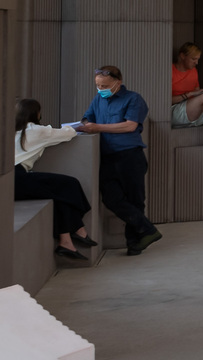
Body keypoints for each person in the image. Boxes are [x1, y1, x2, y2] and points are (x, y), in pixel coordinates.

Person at [77, 65, 162, 255]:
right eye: (98, 85)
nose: (101, 89)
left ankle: (134, 243)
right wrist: (85, 125)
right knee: (111, 198)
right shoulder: (98, 99)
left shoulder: (133, 99)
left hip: (129, 155)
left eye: (105, 86)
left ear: (118, 82)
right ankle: (148, 230)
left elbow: (130, 126)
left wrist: (97, 127)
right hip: (107, 156)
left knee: (135, 199)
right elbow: (87, 117)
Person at [14, 99, 95, 262]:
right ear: (37, 113)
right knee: (70, 184)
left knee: (58, 196)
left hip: (10, 180)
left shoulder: (12, 130)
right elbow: (67, 133)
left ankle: (66, 243)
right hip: (18, 177)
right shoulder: (36, 130)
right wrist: (79, 126)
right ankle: (78, 228)